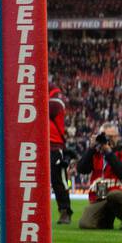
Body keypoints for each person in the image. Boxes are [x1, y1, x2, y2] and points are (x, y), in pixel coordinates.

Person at [75, 122, 122, 231]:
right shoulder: (96, 153)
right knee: (85, 224)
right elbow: (81, 169)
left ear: (117, 136)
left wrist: (109, 152)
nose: (108, 140)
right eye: (105, 136)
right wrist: (90, 149)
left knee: (114, 195)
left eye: (111, 137)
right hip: (100, 197)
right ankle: (106, 222)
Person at [48, 83, 73, 224]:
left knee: (58, 180)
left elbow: (41, 111)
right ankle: (64, 211)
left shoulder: (55, 101)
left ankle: (65, 210)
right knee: (58, 180)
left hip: (54, 146)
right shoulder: (53, 101)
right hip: (46, 145)